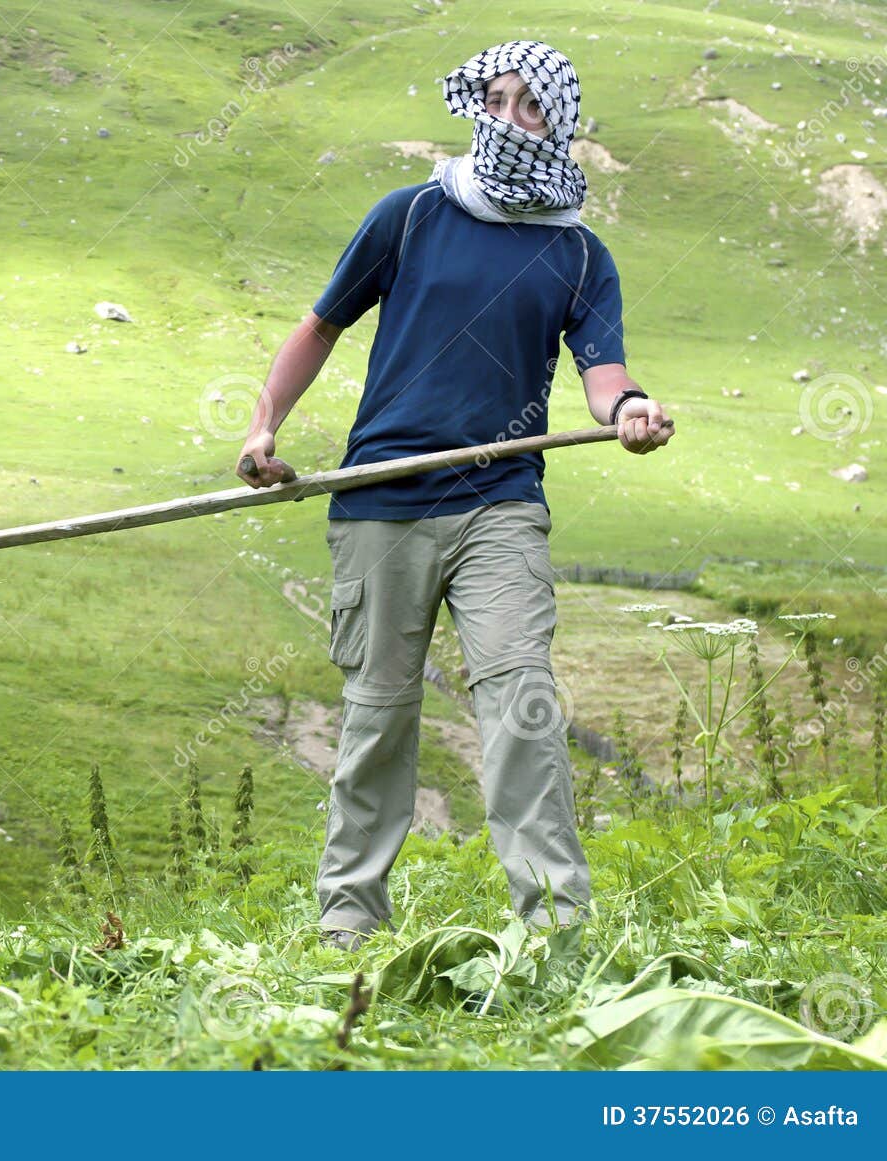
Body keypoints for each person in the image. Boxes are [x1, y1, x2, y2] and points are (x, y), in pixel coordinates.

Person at [234, 40, 674, 951]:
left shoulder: (580, 256)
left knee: (521, 703)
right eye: (496, 100)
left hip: (501, 503)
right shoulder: (412, 215)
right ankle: (348, 928)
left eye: (529, 107)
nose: (507, 119)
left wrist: (629, 409)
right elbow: (317, 328)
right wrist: (264, 426)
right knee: (378, 723)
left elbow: (603, 378)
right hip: (381, 500)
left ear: (558, 124)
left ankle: (556, 933)